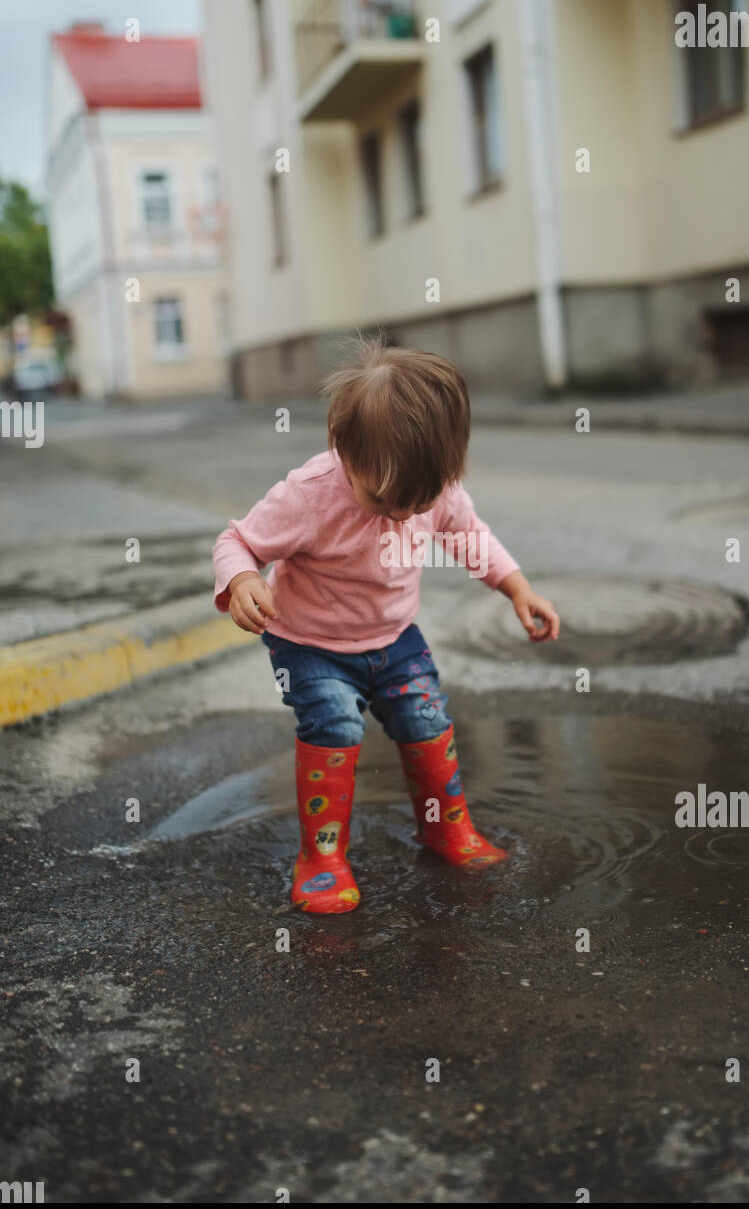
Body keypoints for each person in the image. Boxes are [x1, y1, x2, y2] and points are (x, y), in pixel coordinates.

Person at [212, 340, 560, 914]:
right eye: (382, 499)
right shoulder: (309, 494)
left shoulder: (435, 487)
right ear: (341, 449)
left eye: (413, 503)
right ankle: (322, 859)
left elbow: (470, 539)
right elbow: (237, 541)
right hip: (310, 645)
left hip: (395, 638)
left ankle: (446, 829)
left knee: (427, 721)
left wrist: (517, 588)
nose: (400, 514)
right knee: (336, 727)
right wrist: (244, 581)